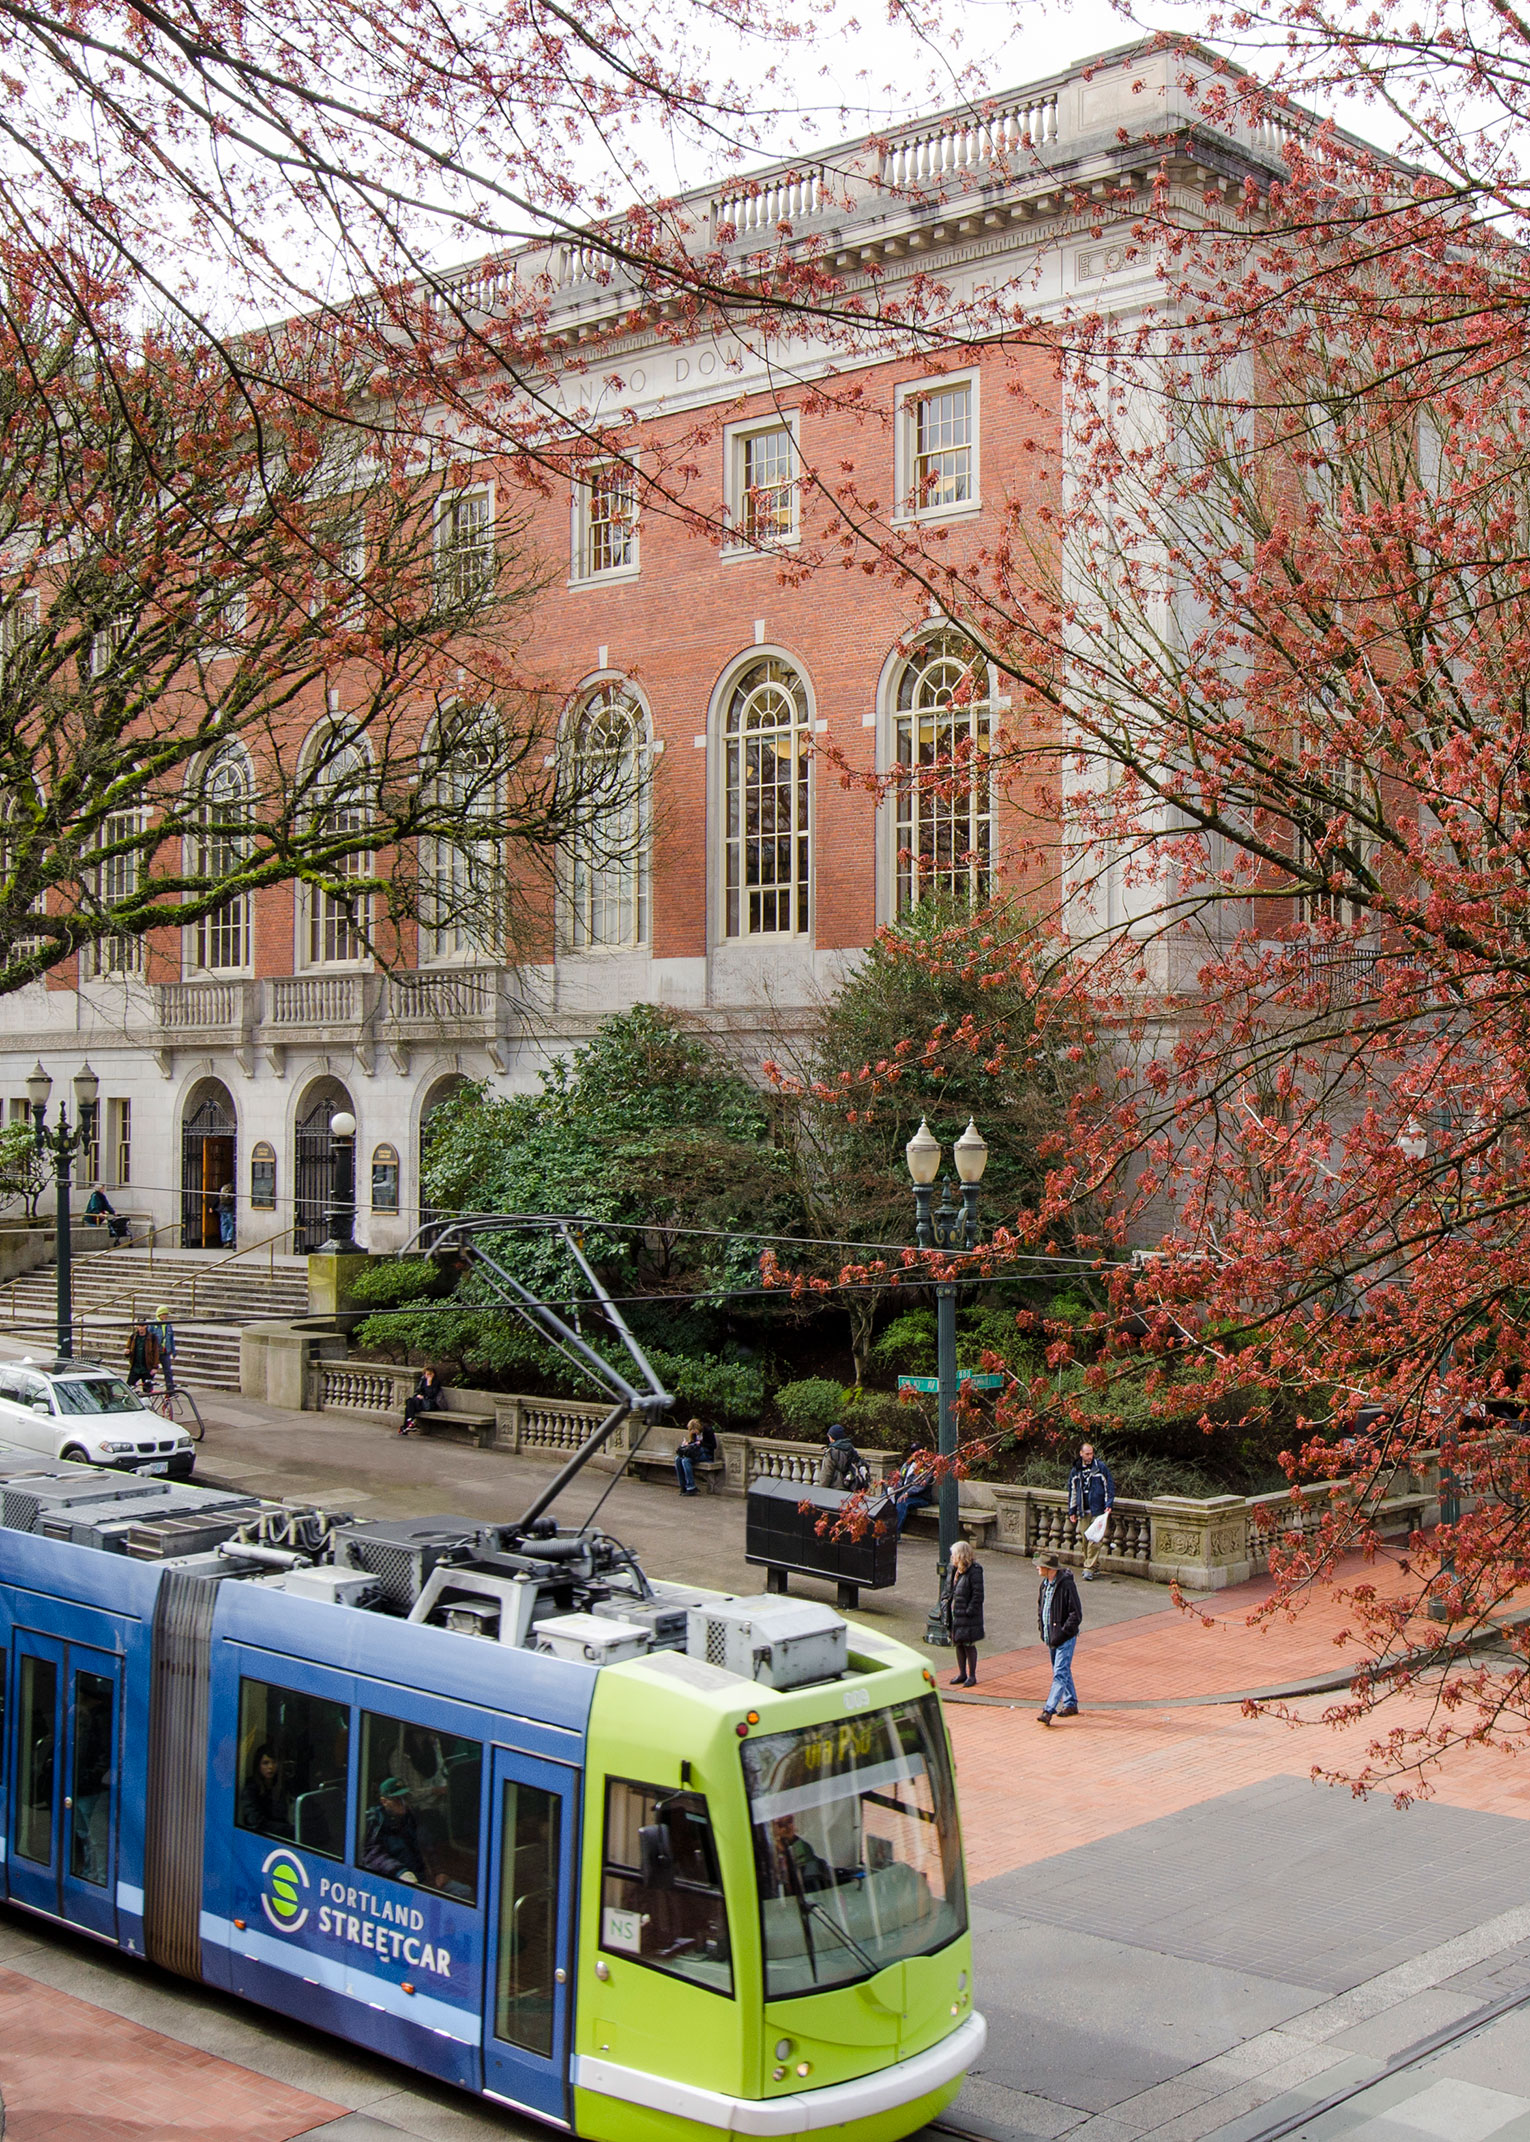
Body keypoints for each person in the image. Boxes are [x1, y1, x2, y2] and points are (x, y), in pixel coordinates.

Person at [1035, 1549, 1083, 1725]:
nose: (1037, 1568)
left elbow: (1076, 1614)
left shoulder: (1066, 1585)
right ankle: (1070, 1703)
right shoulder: (1044, 1585)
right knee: (1062, 1670)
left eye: (1040, 1565)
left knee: (1059, 1673)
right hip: (1051, 1637)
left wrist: (1063, 1632)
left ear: (1050, 1569)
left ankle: (1048, 1709)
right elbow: (1041, 1608)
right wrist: (1043, 1629)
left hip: (1064, 1638)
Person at [361, 1777, 427, 1883]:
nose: (404, 1803)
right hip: (395, 1880)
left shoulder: (412, 1817)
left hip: (423, 1877)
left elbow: (428, 1846)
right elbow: (372, 1854)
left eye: (405, 1797)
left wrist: (439, 1871)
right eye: (397, 1799)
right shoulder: (375, 1821)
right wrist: (399, 1872)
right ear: (384, 1801)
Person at [1068, 1440, 1115, 1580]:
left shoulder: (1100, 1468)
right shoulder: (1076, 1470)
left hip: (1098, 1510)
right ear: (1081, 1454)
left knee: (1095, 1539)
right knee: (1085, 1538)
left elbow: (1109, 1486)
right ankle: (1094, 1566)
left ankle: (1088, 1567)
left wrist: (1109, 1503)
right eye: (1087, 1454)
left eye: (1091, 1453)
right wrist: (1072, 1511)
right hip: (1083, 1510)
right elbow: (1073, 1491)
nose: (1090, 1456)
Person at [942, 1538, 986, 1688]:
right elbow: (949, 1590)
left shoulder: (974, 1571)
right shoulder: (954, 1570)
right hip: (956, 1614)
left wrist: (969, 1611)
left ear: (960, 1556)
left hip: (967, 1615)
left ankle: (972, 1675)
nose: (952, 1558)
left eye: (954, 1555)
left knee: (968, 1645)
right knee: (958, 1643)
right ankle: (962, 1673)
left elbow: (978, 1595)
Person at [238, 1744, 291, 1835]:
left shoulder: (281, 1785)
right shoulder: (250, 1789)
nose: (270, 1767)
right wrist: (290, 1830)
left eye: (274, 1762)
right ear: (258, 1765)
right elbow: (255, 1821)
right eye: (265, 1763)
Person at [889, 1445, 936, 1532]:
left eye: (917, 1452)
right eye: (913, 1451)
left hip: (920, 1497)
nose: (915, 1454)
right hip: (904, 1493)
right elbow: (900, 1480)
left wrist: (908, 1493)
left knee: (901, 1501)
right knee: (886, 1498)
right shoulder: (907, 1464)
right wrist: (893, 1489)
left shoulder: (927, 1467)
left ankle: (896, 1533)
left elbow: (920, 1486)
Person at [817, 1421, 870, 1492]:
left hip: (835, 1488)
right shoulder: (851, 1449)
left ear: (832, 1438)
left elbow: (826, 1474)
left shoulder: (831, 1452)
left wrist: (821, 1491)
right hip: (850, 1486)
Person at [674, 1417, 718, 1494]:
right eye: (691, 1431)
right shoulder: (693, 1434)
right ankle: (683, 1486)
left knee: (685, 1460)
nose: (694, 1432)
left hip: (707, 1455)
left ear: (698, 1427)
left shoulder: (708, 1430)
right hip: (696, 1453)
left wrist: (701, 1443)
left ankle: (691, 1486)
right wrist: (687, 1444)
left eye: (694, 1430)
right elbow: (694, 1444)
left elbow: (713, 1446)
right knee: (678, 1459)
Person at [400, 1364, 445, 1436]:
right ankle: (410, 1424)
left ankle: (406, 1426)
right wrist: (418, 1395)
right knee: (409, 1403)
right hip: (421, 1402)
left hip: (430, 1404)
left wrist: (429, 1384)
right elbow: (417, 1391)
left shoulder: (436, 1382)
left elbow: (431, 1395)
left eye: (431, 1374)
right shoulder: (423, 1381)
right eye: (427, 1374)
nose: (429, 1376)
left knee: (409, 1406)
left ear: (434, 1374)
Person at [125, 1319, 160, 1393]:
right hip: (135, 1368)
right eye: (139, 1326)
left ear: (146, 1326)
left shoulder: (152, 1337)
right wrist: (127, 1352)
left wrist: (155, 1367)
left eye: (142, 1326)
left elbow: (156, 1352)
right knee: (128, 1388)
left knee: (147, 1390)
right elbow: (128, 1349)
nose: (140, 1328)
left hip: (147, 1368)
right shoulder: (133, 1337)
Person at [149, 1304, 177, 1392]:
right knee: (152, 1371)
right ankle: (148, 1389)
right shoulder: (153, 1325)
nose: (166, 1316)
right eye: (164, 1314)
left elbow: (171, 1338)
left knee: (168, 1372)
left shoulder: (168, 1325)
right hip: (156, 1353)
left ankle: (170, 1390)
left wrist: (173, 1351)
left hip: (165, 1352)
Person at [217, 1180, 236, 1248]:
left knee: (223, 1224)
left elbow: (218, 1198)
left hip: (221, 1208)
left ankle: (224, 1239)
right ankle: (229, 1240)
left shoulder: (223, 1188)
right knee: (231, 1224)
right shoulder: (234, 1188)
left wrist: (212, 1207)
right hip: (229, 1209)